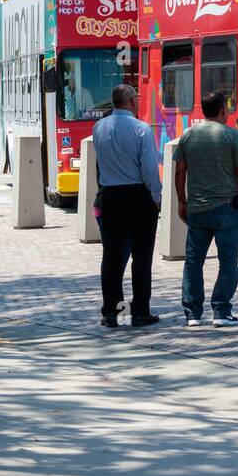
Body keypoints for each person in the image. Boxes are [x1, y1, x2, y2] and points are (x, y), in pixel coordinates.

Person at [175, 91, 238, 328]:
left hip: (197, 209)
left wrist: (182, 201)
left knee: (193, 262)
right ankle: (221, 310)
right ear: (223, 110)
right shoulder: (232, 136)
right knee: (228, 263)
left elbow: (180, 171)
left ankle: (192, 313)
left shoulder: (188, 135)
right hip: (225, 208)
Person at [92, 83, 162, 328]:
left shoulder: (99, 127)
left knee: (111, 256)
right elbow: (149, 168)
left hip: (110, 195)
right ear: (131, 101)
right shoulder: (141, 129)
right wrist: (156, 196)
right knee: (141, 257)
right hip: (137, 195)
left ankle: (112, 311)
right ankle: (140, 310)